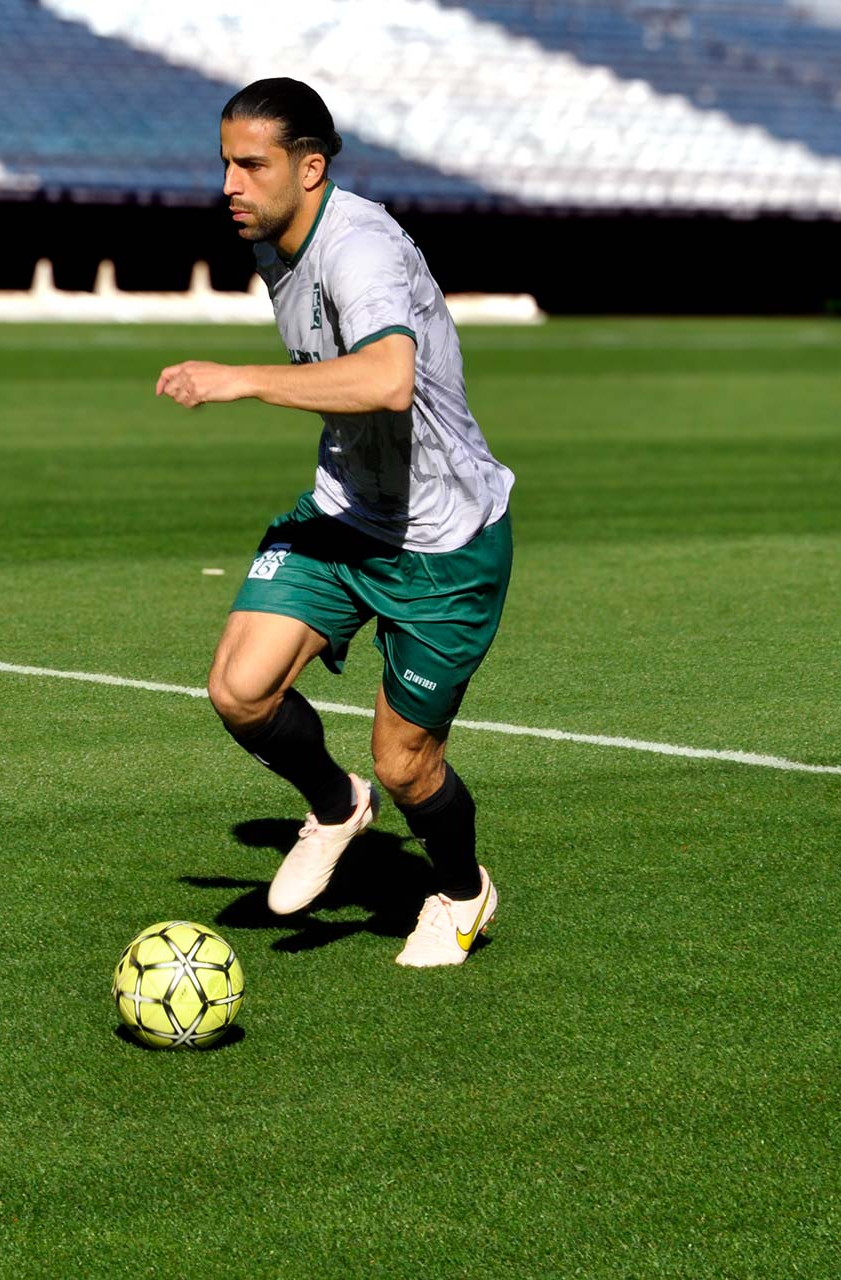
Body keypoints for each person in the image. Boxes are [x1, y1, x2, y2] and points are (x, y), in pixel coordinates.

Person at [156, 79, 516, 968]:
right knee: (241, 690)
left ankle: (463, 894)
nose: (229, 184)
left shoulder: (358, 248)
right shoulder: (276, 242)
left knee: (408, 764)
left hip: (442, 542)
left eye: (252, 165)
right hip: (345, 513)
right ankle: (333, 805)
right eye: (225, 163)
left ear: (310, 168)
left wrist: (238, 379)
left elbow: (388, 379)